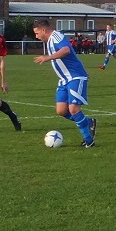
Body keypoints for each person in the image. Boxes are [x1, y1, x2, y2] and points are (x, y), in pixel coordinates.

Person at [32, 19, 96, 147]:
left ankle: (89, 141)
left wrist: (47, 58)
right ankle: (88, 122)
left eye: (37, 33)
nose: (36, 36)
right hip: (64, 80)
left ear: (44, 30)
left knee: (73, 109)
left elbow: (66, 50)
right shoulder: (50, 40)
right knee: (61, 111)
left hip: (75, 77)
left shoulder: (57, 36)